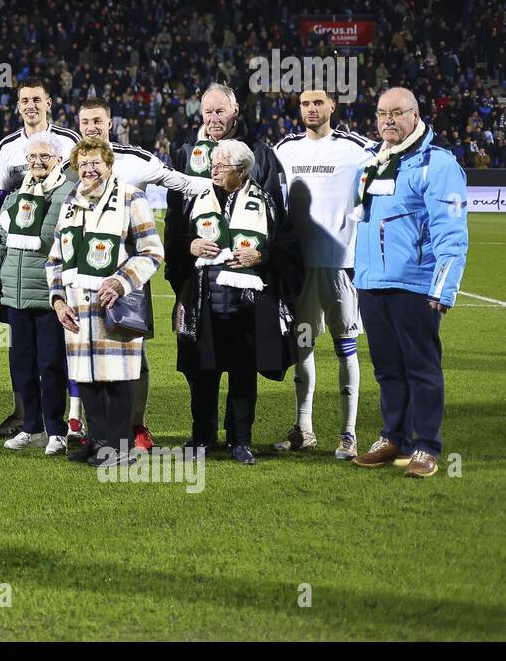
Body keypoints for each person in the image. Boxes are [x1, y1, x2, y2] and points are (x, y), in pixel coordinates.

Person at [77, 97, 208, 450]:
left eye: (98, 121)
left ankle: (135, 425)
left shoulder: (135, 160)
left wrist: (217, 184)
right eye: (85, 121)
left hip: (130, 277)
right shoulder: (70, 163)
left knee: (134, 351)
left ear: (109, 124)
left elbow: (179, 182)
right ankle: (97, 430)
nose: (91, 127)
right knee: (89, 351)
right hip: (85, 277)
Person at [352, 86, 468, 478]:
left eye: (397, 113)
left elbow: (450, 232)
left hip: (415, 285)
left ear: (415, 116)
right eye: (382, 113)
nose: (388, 120)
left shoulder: (437, 164)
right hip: (371, 283)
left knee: (421, 368)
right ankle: (393, 437)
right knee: (387, 369)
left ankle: (426, 446)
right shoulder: (373, 159)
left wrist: (445, 286)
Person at [167, 139, 304, 465]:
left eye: (221, 165)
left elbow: (288, 249)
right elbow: (173, 243)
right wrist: (192, 245)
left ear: (242, 171)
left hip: (248, 303)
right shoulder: (197, 199)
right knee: (203, 374)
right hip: (204, 299)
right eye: (212, 163)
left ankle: (240, 440)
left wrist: (261, 254)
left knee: (244, 374)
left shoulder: (267, 203)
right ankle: (202, 436)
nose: (213, 169)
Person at [272, 89, 377, 459]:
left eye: (318, 102)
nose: (311, 109)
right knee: (302, 347)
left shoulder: (359, 148)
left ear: (333, 106)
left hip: (340, 266)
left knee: (346, 347)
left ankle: (348, 434)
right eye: (305, 103)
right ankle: (304, 428)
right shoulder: (284, 149)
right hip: (299, 270)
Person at [45, 137, 163, 466]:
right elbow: (55, 259)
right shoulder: (70, 201)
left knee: (118, 378)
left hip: (114, 305)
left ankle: (120, 447)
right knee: (87, 378)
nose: (89, 169)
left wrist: (120, 282)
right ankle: (97, 443)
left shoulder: (130, 197)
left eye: (95, 162)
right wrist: (57, 300)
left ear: (109, 165)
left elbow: (152, 252)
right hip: (76, 308)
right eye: (83, 164)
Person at [0, 132, 77, 455]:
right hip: (13, 296)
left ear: (58, 160)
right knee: (20, 365)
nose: (36, 163)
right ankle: (31, 427)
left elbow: (68, 245)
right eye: (32, 158)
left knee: (51, 365)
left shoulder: (68, 194)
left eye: (44, 157)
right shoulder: (14, 196)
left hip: (49, 295)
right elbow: (1, 243)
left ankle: (56, 429)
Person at [0, 76, 80, 203]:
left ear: (48, 104)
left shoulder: (70, 140)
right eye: (25, 101)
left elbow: (81, 186)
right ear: (19, 106)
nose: (30, 106)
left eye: (36, 100)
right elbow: (3, 196)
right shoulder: (6, 146)